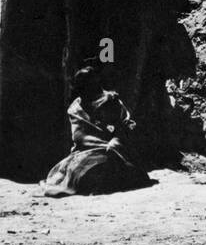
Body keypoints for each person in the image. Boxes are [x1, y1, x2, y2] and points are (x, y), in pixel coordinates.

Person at [42, 66, 153, 197]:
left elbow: (123, 125)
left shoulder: (111, 101)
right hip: (86, 150)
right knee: (76, 171)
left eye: (92, 84)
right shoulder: (76, 109)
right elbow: (80, 136)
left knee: (112, 166)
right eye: (85, 86)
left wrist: (117, 139)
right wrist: (98, 143)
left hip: (115, 149)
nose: (89, 89)